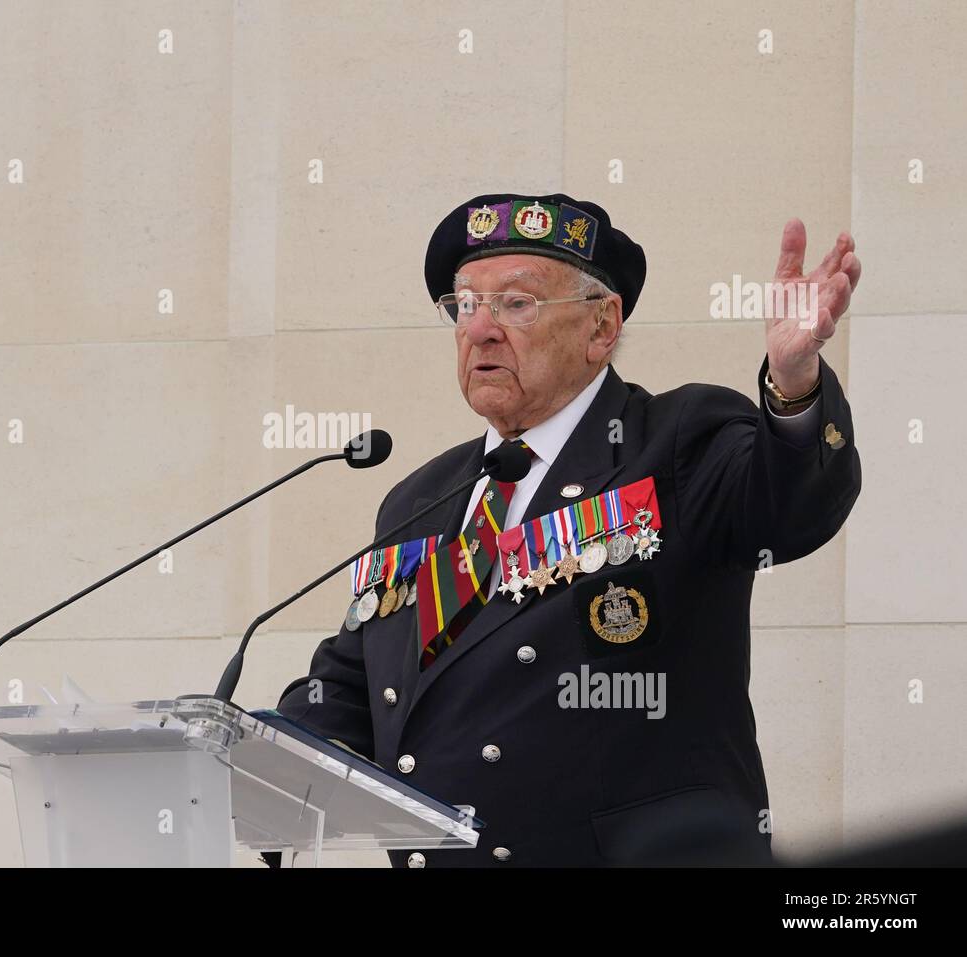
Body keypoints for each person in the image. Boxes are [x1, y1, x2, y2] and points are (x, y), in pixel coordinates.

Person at [272, 192, 862, 867]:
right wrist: (247, 753)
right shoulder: (423, 498)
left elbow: (794, 507)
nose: (480, 329)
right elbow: (353, 687)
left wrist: (793, 384)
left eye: (516, 304)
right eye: (465, 305)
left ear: (601, 327)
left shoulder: (676, 441)